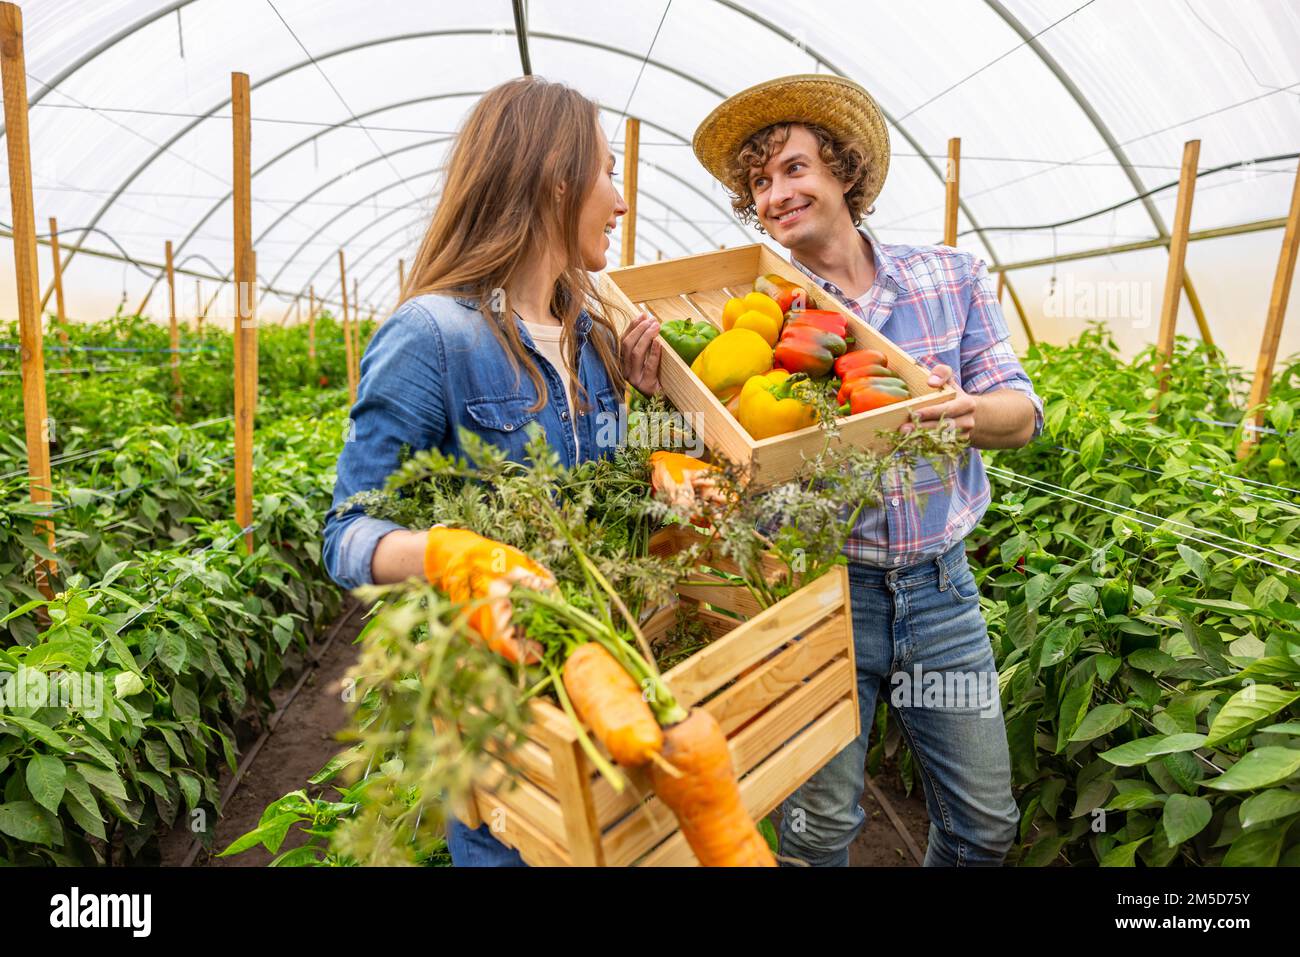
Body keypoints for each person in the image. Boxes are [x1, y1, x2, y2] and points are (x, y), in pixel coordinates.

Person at [621, 74, 1043, 866]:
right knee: (819, 836)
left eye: (795, 169)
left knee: (984, 824)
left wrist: (968, 412)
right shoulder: (750, 310)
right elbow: (718, 459)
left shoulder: (947, 277)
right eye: (760, 181)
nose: (776, 194)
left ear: (845, 172)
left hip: (939, 592)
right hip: (816, 593)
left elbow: (1023, 413)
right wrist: (662, 393)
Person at [322, 76, 632, 867]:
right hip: (503, 728)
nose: (621, 201)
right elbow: (345, 533)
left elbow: (610, 511)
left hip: (606, 696)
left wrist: (665, 416)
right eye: (609, 172)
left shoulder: (596, 334)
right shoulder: (431, 334)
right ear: (557, 181)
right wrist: (445, 552)